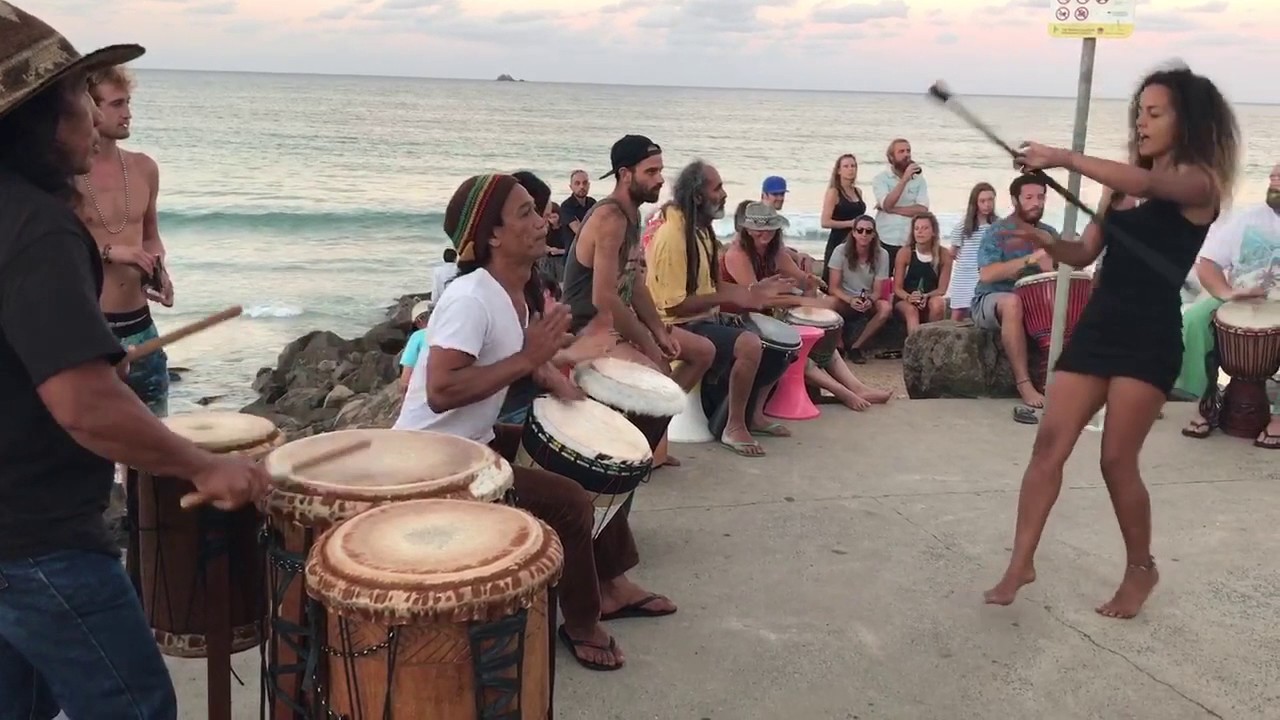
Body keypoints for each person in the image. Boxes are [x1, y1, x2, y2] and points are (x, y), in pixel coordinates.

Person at [0, 7, 271, 716]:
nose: (93, 114)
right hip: (37, 538)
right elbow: (82, 404)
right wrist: (204, 463)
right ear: (35, 118)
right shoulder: (38, 227)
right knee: (137, 706)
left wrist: (81, 363)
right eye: (78, 96)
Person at [982, 65, 1241, 619]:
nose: (1141, 123)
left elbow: (1148, 184)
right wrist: (1044, 239)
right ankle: (1020, 561)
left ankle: (1141, 567)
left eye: (1155, 112)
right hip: (1100, 324)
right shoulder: (1117, 188)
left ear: (1187, 120)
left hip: (1149, 334)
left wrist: (1063, 157)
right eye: (1139, 113)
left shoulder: (1199, 184)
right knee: (1049, 442)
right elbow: (1084, 254)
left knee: (1116, 460)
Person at [393, 173, 673, 672]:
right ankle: (583, 621)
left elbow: (526, 357)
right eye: (525, 212)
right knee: (567, 500)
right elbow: (440, 391)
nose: (545, 219)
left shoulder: (513, 291)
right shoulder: (470, 298)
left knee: (595, 467)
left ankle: (611, 583)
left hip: (472, 441)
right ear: (492, 235)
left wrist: (564, 388)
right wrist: (528, 361)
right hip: (435, 461)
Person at [645, 160, 793, 457]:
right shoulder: (674, 236)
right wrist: (739, 298)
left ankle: (751, 415)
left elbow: (713, 286)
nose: (724, 194)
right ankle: (733, 426)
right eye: (717, 188)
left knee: (779, 345)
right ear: (698, 196)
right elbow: (675, 304)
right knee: (750, 344)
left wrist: (751, 293)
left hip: (699, 318)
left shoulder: (702, 231)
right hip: (674, 324)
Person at [725, 203, 890, 412]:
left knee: (817, 338)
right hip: (736, 320)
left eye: (769, 227)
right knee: (793, 349)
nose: (764, 233)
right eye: (758, 228)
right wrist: (802, 300)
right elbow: (756, 299)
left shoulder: (775, 251)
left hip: (764, 318)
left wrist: (810, 283)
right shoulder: (737, 254)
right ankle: (843, 392)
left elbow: (804, 282)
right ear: (747, 229)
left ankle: (858, 387)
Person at [77, 65, 172, 417]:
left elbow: (150, 235)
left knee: (156, 448)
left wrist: (158, 270)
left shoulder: (145, 168)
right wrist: (109, 251)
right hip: (91, 329)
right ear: (89, 108)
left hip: (141, 327)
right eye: (117, 104)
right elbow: (55, 250)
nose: (128, 113)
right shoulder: (68, 175)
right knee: (90, 450)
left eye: (128, 102)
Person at [1178, 162, 1279, 448]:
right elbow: (1208, 262)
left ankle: (1279, 416)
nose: (1274, 179)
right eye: (1273, 176)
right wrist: (1227, 292)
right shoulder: (1247, 220)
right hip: (1239, 296)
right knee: (1196, 318)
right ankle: (1204, 402)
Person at [970, 175, 1059, 411]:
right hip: (992, 300)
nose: (1036, 203)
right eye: (1029, 197)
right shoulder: (997, 232)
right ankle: (1024, 383)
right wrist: (1030, 258)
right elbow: (987, 275)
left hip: (1037, 301)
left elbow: (1058, 273)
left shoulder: (1049, 233)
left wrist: (1052, 263)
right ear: (1015, 200)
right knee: (1013, 302)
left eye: (1040, 197)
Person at [826, 215, 893, 363]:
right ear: (853, 232)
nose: (864, 234)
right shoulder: (840, 251)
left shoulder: (882, 255)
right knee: (829, 302)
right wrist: (850, 300)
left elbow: (878, 291)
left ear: (874, 234)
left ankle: (856, 347)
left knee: (885, 308)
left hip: (867, 299)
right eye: (860, 230)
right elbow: (833, 288)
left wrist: (869, 300)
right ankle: (839, 344)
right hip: (845, 298)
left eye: (868, 231)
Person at [872, 139, 930, 271]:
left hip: (908, 239)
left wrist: (893, 209)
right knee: (883, 280)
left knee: (905, 282)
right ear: (891, 157)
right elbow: (887, 203)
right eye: (901, 151)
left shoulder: (919, 180)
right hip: (885, 238)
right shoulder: (881, 179)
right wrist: (904, 180)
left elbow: (922, 210)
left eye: (908, 151)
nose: (906, 154)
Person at [945, 182, 999, 321]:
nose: (987, 204)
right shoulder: (963, 226)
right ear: (975, 203)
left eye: (990, 200)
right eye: (983, 201)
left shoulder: (998, 225)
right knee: (958, 312)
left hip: (984, 274)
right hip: (964, 275)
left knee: (981, 310)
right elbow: (953, 252)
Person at [891, 212, 951, 334]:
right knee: (911, 310)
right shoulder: (905, 253)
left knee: (938, 303)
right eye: (917, 228)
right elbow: (897, 288)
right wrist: (909, 297)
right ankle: (915, 346)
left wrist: (926, 296)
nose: (920, 232)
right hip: (905, 300)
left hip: (929, 298)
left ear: (933, 231)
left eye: (925, 228)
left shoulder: (944, 254)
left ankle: (932, 341)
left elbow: (942, 289)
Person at [820, 154, 867, 270]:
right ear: (839, 171)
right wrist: (850, 223)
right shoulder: (834, 192)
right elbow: (825, 222)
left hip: (856, 241)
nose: (850, 169)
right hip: (838, 241)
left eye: (853, 166)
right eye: (846, 166)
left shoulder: (858, 192)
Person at [397, 300, 431, 395]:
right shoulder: (448, 332)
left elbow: (407, 373)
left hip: (423, 390)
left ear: (419, 321)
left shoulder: (417, 336)